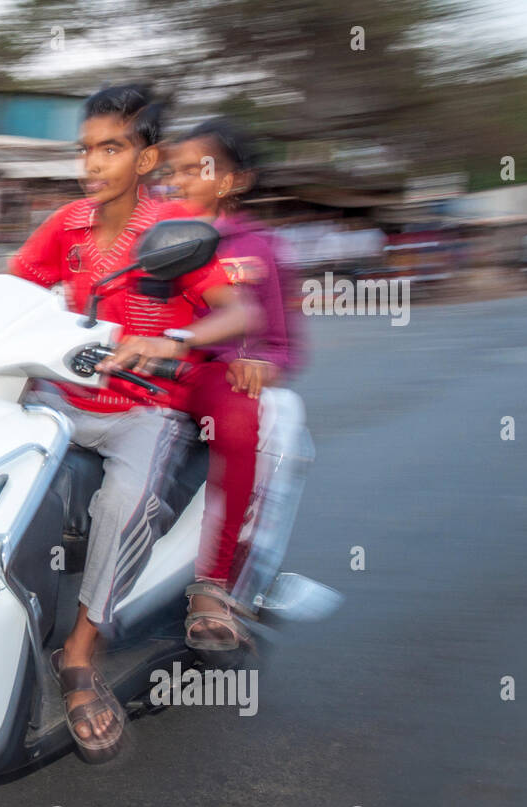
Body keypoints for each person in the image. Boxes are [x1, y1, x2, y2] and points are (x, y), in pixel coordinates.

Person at [10, 85, 258, 761]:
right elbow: (12, 290)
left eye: (111, 147)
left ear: (148, 158)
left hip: (142, 408)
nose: (92, 162)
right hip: (63, 395)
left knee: (129, 500)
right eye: (86, 147)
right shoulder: (64, 225)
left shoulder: (174, 229)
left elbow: (236, 314)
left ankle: (80, 652)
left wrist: (171, 343)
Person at [162, 119, 303, 649]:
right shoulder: (153, 229)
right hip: (145, 367)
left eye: (196, 168)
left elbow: (286, 346)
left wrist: (262, 364)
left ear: (234, 181)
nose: (179, 180)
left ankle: (213, 583)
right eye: (173, 169)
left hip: (212, 376)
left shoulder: (261, 249)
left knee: (242, 421)